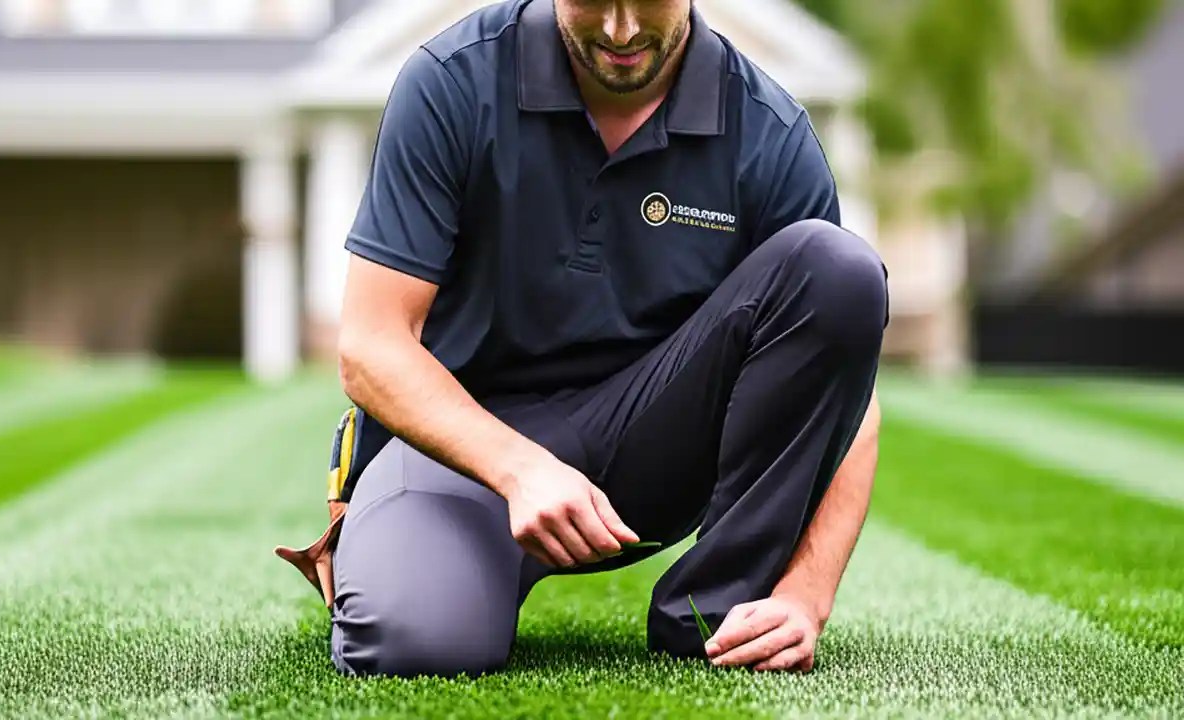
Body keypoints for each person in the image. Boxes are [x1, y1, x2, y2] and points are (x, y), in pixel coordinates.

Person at [306, 0, 886, 678]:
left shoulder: (769, 130)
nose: (619, 29)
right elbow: (371, 346)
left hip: (651, 443)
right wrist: (519, 468)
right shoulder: (449, 83)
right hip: (466, 453)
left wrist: (805, 595)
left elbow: (845, 389)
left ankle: (719, 614)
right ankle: (400, 550)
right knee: (411, 642)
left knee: (839, 270)